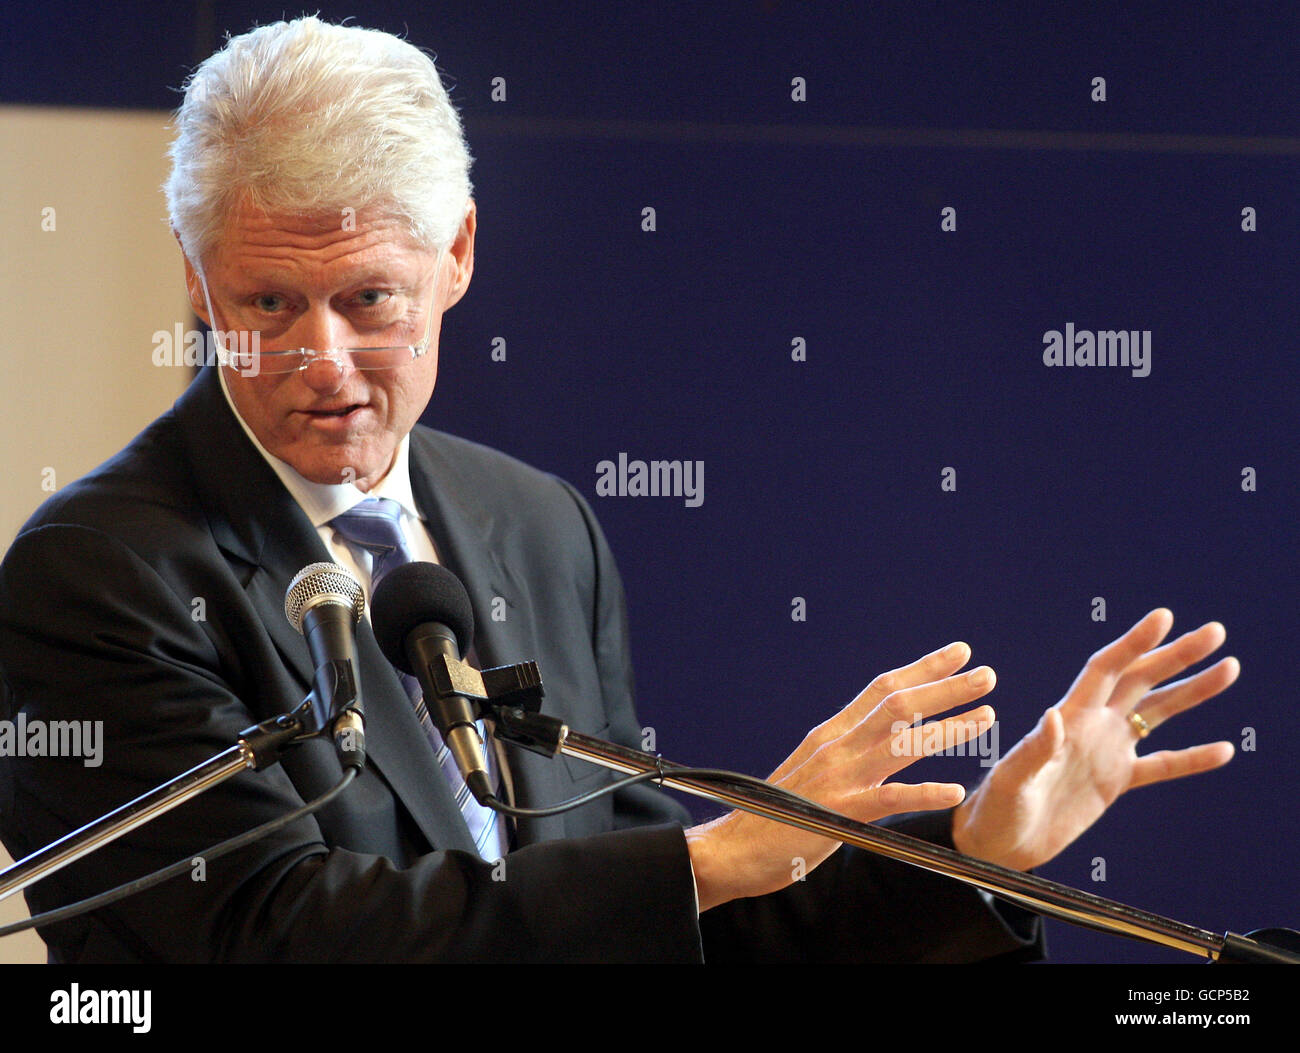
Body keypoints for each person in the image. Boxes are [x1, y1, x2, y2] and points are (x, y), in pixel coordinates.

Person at [0, 17, 1238, 963]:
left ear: (458, 259)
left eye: (368, 298)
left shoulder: (534, 528)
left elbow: (654, 928)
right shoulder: (99, 572)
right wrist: (704, 864)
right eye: (268, 302)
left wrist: (974, 855)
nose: (321, 358)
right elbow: (263, 934)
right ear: (199, 279)